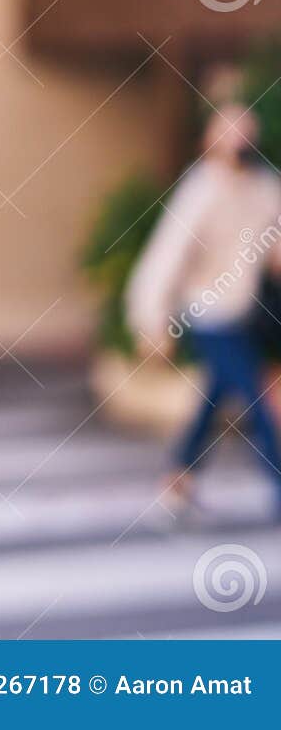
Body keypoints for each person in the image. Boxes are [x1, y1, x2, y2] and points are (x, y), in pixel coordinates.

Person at [127, 104, 281, 518]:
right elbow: (165, 260)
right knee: (257, 397)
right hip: (208, 314)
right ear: (211, 140)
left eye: (245, 133)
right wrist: (151, 320)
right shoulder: (199, 191)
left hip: (245, 314)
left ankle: (178, 477)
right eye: (230, 133)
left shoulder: (264, 187)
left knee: (215, 397)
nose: (239, 141)